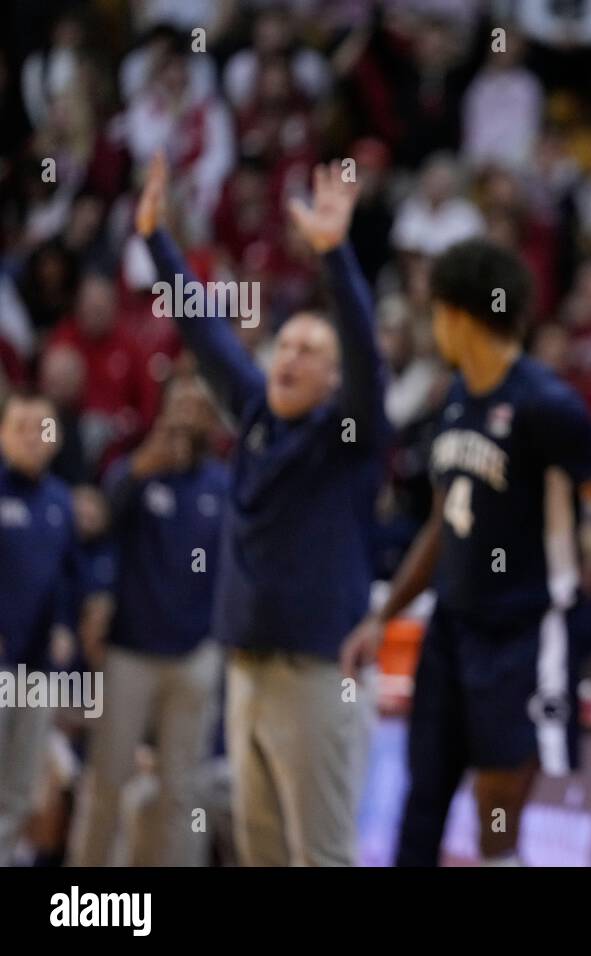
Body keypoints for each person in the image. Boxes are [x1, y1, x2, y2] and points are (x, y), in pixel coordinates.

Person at [347, 237, 591, 866]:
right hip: (450, 628)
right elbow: (442, 526)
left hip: (524, 635)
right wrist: (383, 617)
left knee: (497, 821)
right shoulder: (457, 396)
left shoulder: (546, 403)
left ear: (458, 313)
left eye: (436, 311)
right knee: (422, 801)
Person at [135, 153, 390, 866]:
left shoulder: (349, 438)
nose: (292, 355)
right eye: (288, 344)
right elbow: (205, 332)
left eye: (313, 350)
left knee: (324, 857)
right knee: (264, 854)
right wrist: (157, 240)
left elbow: (367, 359)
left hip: (315, 675)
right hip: (244, 668)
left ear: (335, 381)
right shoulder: (255, 413)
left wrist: (336, 256)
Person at [69, 374, 228, 866]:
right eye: (177, 404)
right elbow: (96, 528)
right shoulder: (131, 471)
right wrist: (141, 468)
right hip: (129, 654)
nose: (185, 415)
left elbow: (233, 569)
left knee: (183, 791)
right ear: (160, 413)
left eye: (197, 407)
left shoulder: (222, 484)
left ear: (211, 420)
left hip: (195, 656)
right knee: (106, 782)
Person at [0, 393, 79, 865]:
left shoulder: (59, 501)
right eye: (22, 426)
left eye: (43, 428)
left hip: (38, 666)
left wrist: (66, 626)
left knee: (20, 782)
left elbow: (69, 573)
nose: (33, 436)